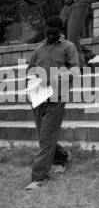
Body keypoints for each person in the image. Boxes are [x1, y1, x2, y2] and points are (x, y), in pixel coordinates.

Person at [24, 17, 79, 189]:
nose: (51, 35)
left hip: (57, 98)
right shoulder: (38, 49)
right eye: (49, 31)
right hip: (38, 99)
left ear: (60, 31)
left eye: (55, 32)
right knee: (44, 137)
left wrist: (56, 78)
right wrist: (31, 85)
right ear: (45, 29)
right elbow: (30, 72)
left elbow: (75, 70)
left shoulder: (68, 47)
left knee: (46, 139)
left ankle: (38, 178)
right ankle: (62, 156)